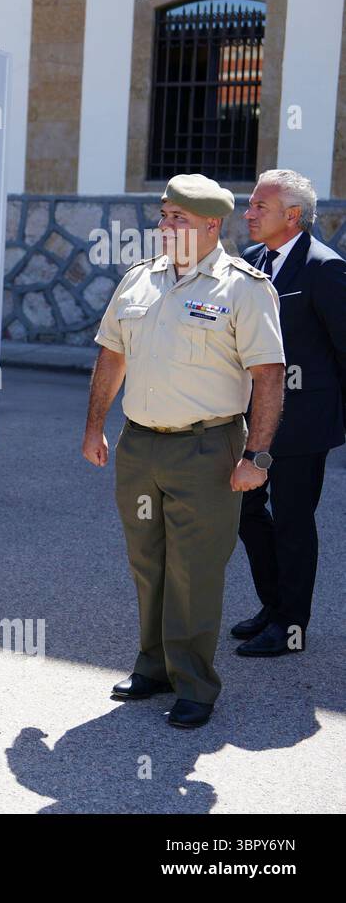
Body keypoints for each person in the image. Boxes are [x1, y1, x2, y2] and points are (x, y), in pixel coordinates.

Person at [83, 174, 285, 729]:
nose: (165, 227)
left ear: (211, 225)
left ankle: (195, 684)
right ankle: (153, 666)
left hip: (208, 448)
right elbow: (111, 355)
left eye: (178, 219)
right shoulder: (138, 281)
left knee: (195, 571)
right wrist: (94, 426)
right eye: (164, 216)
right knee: (148, 563)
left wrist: (257, 457)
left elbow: (268, 377)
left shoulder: (243, 288)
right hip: (141, 444)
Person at [233, 169, 346, 656]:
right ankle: (273, 604)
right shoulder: (252, 261)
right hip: (251, 418)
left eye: (260, 206)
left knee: (295, 520)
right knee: (246, 510)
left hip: (303, 424)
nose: (249, 213)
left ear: (292, 216)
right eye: (251, 204)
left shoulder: (325, 268)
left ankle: (290, 625)